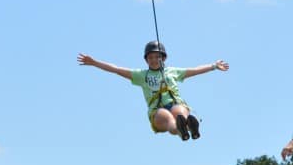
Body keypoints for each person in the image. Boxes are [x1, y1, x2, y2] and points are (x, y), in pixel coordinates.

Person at [77, 42, 228, 140]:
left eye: (157, 57)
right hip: (157, 110)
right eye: (151, 57)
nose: (154, 60)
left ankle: (189, 125)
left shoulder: (173, 72)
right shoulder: (141, 75)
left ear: (163, 58)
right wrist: (94, 62)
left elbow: (194, 70)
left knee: (179, 111)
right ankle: (182, 129)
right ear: (146, 60)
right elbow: (116, 69)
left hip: (175, 103)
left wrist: (213, 66)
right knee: (168, 118)